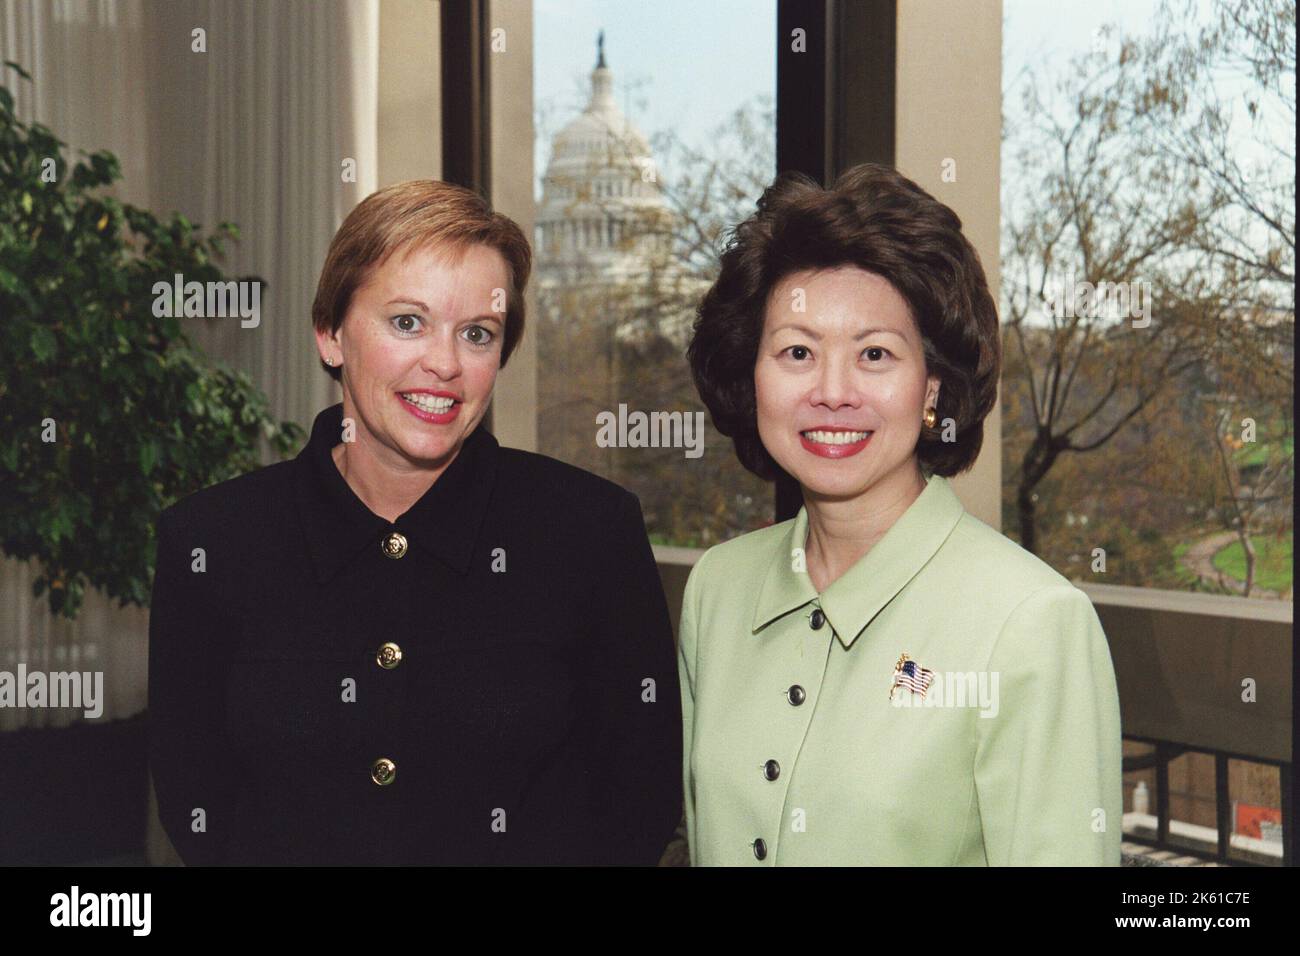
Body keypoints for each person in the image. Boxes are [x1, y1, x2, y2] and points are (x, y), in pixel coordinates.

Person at [148, 179, 681, 865]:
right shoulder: (210, 543)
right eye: (407, 322)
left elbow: (640, 798)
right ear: (331, 334)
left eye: (477, 334)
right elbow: (198, 803)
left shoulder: (590, 532)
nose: (445, 364)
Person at [678, 163, 1123, 865]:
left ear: (932, 388)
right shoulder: (717, 592)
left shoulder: (1032, 622)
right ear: (750, 373)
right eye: (797, 351)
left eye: (875, 354)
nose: (832, 391)